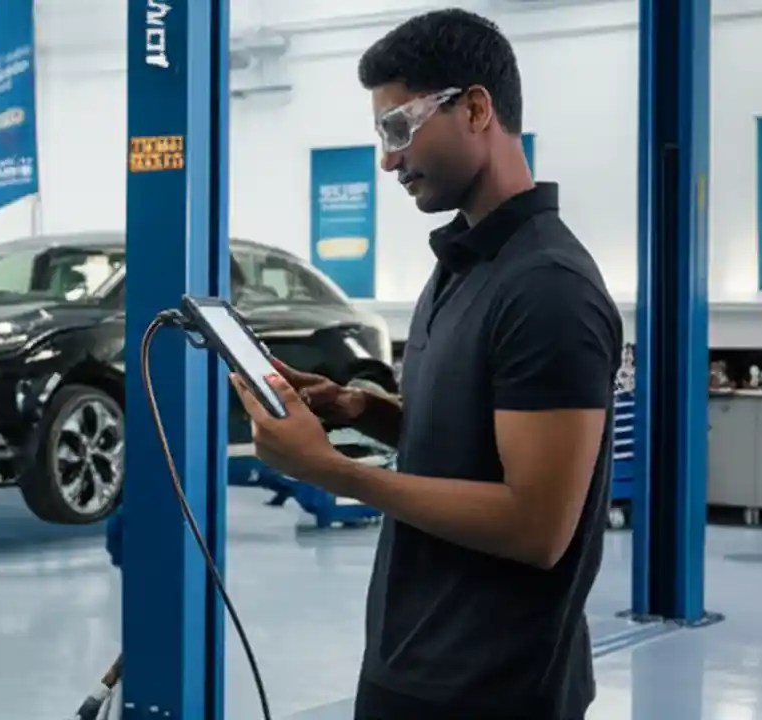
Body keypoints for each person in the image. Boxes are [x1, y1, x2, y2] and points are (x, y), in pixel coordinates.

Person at [227, 8, 623, 720]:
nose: (388, 159)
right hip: (413, 664)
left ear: (475, 109)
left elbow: (537, 527)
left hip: (492, 692)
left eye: (399, 128)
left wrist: (333, 471)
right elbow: (471, 446)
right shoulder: (462, 266)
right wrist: (364, 412)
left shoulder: (548, 288)